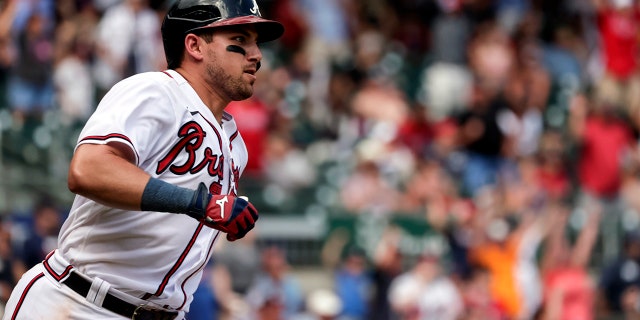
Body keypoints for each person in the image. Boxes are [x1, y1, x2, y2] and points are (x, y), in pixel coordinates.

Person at [2, 0, 284, 319]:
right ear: (194, 45)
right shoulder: (155, 91)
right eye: (239, 42)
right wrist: (198, 203)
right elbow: (88, 169)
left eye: (255, 43)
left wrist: (218, 216)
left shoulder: (236, 145)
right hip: (79, 302)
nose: (256, 55)